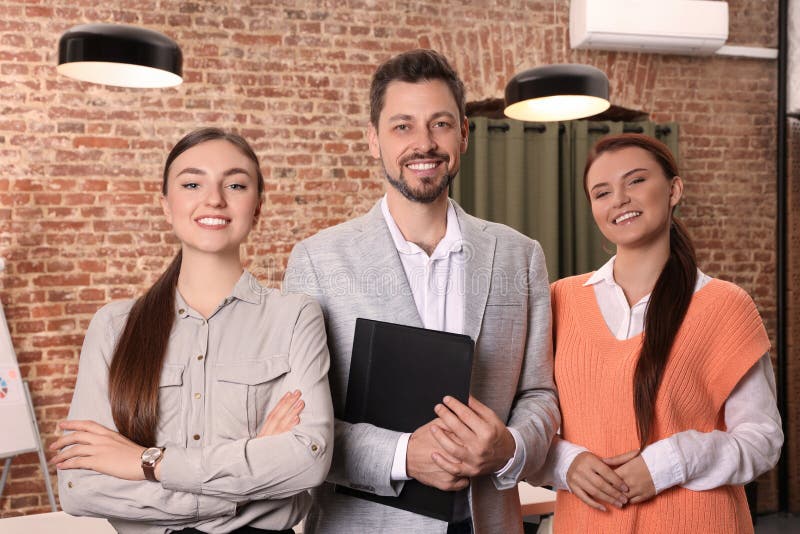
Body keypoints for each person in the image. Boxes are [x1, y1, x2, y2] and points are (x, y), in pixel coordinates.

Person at [283, 49, 560, 534]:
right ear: (373, 140)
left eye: (440, 124)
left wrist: (509, 447)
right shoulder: (317, 261)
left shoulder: (521, 255)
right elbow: (301, 424)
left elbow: (539, 395)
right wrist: (402, 455)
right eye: (402, 126)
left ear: (465, 133)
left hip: (487, 522)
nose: (424, 144)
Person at [51, 128, 334, 534]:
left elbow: (308, 462)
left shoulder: (295, 317)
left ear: (257, 208)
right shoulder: (113, 328)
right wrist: (251, 474)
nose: (214, 199)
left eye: (235, 184)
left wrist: (147, 463)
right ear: (166, 205)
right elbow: (81, 487)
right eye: (192, 183)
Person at [541, 133, 782, 533]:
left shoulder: (725, 305)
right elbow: (526, 423)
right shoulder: (559, 301)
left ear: (674, 190)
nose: (619, 198)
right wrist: (566, 463)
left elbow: (762, 440)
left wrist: (670, 461)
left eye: (635, 181)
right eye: (602, 192)